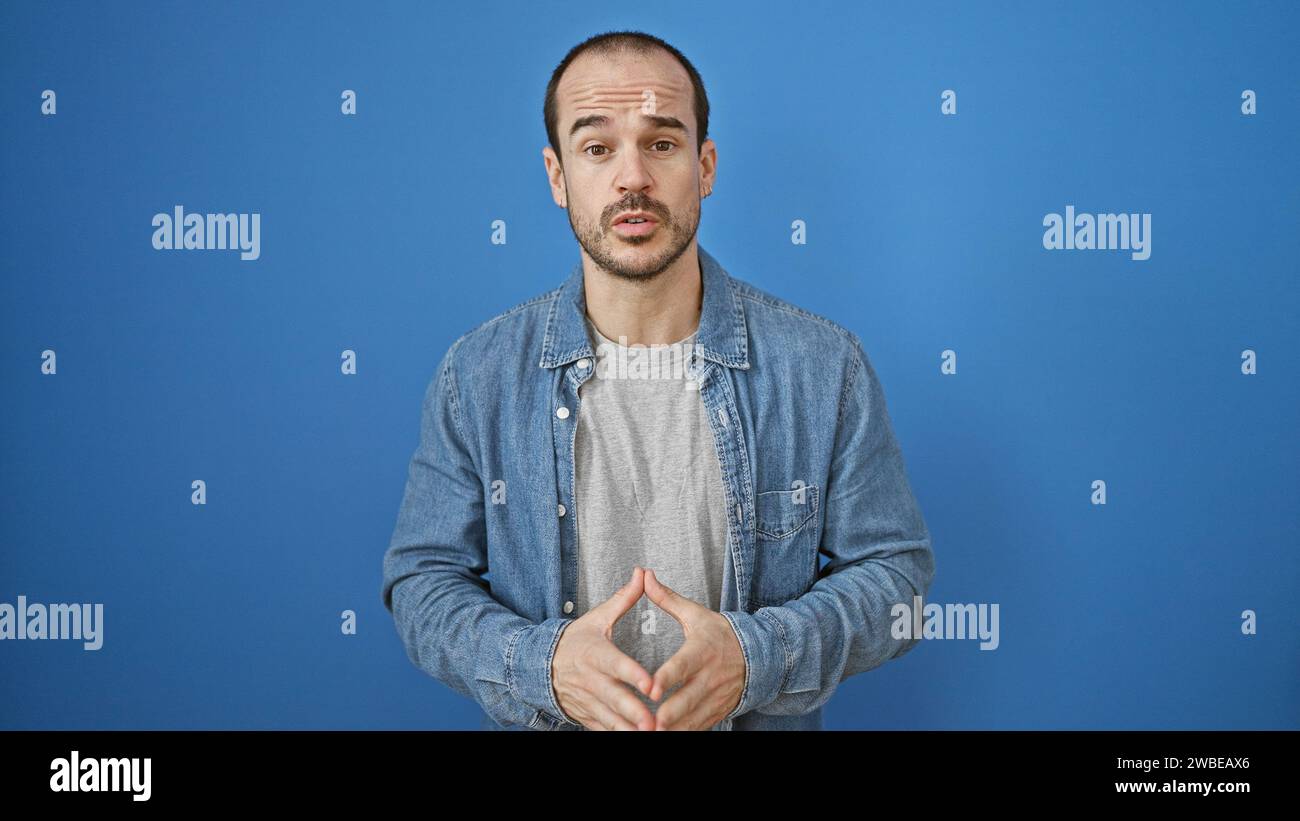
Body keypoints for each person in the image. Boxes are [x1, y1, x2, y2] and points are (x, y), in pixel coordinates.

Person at [381, 30, 935, 731]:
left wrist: (755, 657)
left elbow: (899, 581)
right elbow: (422, 581)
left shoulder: (824, 367)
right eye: (597, 147)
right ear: (558, 176)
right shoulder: (477, 375)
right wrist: (542, 664)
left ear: (705, 165)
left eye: (662, 143)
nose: (632, 177)